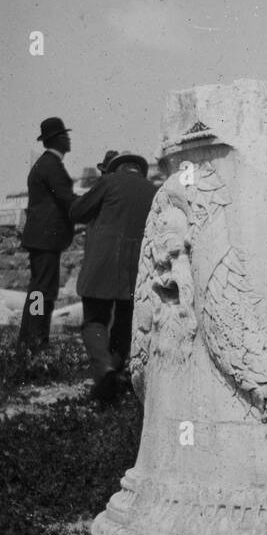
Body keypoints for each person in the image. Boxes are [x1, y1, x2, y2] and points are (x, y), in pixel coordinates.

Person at [70, 149, 158, 400]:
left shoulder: (108, 182)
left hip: (102, 264)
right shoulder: (153, 191)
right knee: (124, 321)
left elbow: (77, 212)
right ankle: (114, 370)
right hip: (136, 270)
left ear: (116, 167)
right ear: (139, 169)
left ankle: (105, 369)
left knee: (94, 320)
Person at [18, 117, 79, 350]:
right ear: (57, 139)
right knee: (42, 292)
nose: (68, 138)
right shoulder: (52, 166)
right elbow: (67, 201)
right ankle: (34, 341)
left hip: (40, 239)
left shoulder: (44, 164)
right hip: (45, 240)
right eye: (65, 135)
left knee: (39, 290)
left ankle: (30, 339)